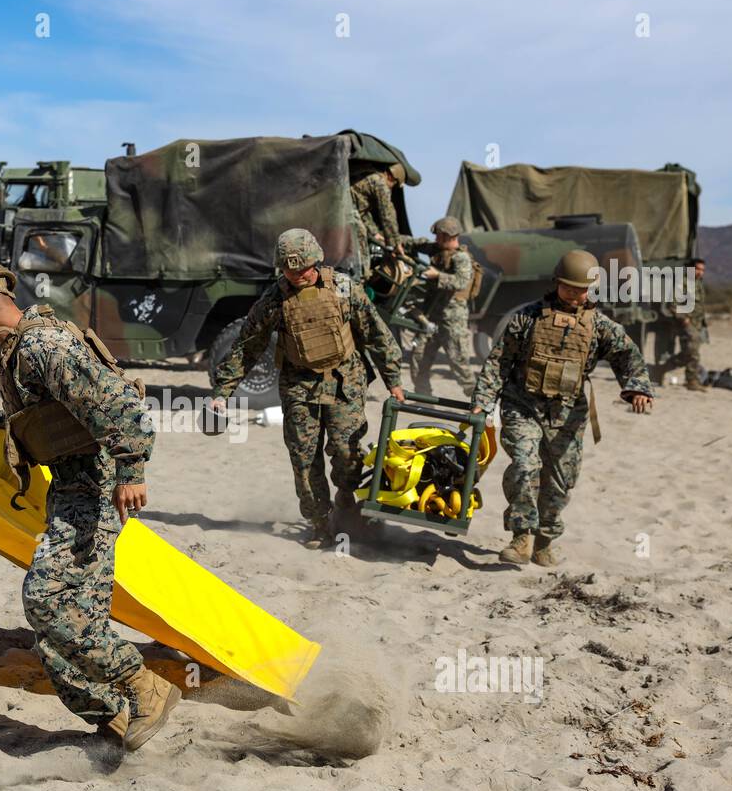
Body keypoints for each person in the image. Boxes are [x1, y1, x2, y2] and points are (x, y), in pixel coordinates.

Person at [0, 253, 179, 752]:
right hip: (71, 489)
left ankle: (144, 685)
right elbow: (52, 410)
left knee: (45, 601)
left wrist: (132, 469)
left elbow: (123, 407)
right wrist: (5, 421)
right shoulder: (17, 350)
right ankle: (112, 719)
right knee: (61, 636)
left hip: (93, 488)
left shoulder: (46, 345)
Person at [211, 228, 405, 548]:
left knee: (348, 453)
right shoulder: (275, 299)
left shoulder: (343, 288)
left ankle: (345, 499)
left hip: (344, 381)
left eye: (301, 268)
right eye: (288, 269)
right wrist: (222, 392)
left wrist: (393, 380)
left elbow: (376, 334)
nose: (296, 275)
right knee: (304, 459)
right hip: (299, 385)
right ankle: (319, 523)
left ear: (316, 261)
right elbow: (247, 346)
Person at [471, 249, 654, 567]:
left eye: (582, 289)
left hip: (568, 413)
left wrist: (637, 387)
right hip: (522, 404)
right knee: (525, 467)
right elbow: (499, 361)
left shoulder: (599, 326)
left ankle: (545, 540)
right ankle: (522, 536)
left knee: (560, 482)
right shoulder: (527, 318)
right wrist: (483, 401)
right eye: (569, 287)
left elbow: (628, 356)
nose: (575, 294)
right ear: (557, 282)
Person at [404, 216, 478, 396]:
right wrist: (394, 241)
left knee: (459, 363)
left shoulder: (461, 258)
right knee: (419, 358)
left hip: (452, 319)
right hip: (430, 316)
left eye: (439, 236)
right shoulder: (436, 249)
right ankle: (423, 398)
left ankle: (480, 403)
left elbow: (461, 281)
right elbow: (418, 243)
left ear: (449, 236)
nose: (436, 239)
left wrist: (437, 275)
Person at [657, 257, 708, 391]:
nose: (700, 272)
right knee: (693, 353)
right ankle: (691, 381)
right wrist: (684, 319)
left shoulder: (698, 284)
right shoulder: (683, 283)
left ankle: (661, 370)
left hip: (697, 324)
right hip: (685, 324)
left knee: (688, 353)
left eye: (702, 270)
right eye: (698, 269)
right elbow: (672, 305)